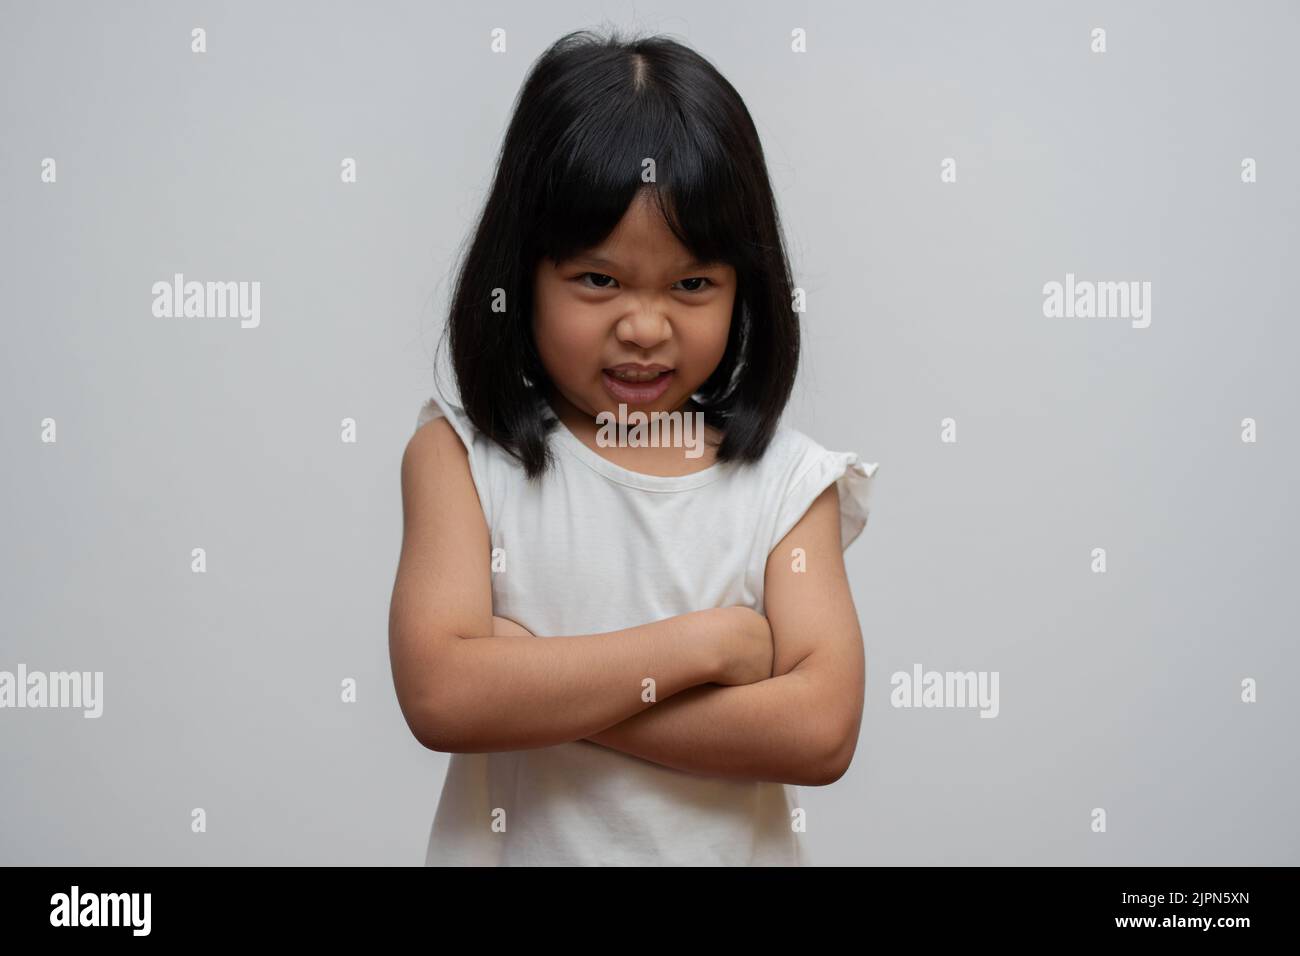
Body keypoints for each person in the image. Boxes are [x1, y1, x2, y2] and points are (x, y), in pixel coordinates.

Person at [389, 27, 880, 866]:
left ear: (743, 287)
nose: (645, 326)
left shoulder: (788, 486)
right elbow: (442, 695)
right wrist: (712, 647)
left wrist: (533, 681)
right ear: (522, 275)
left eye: (692, 285)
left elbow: (821, 732)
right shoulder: (462, 465)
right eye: (598, 280)